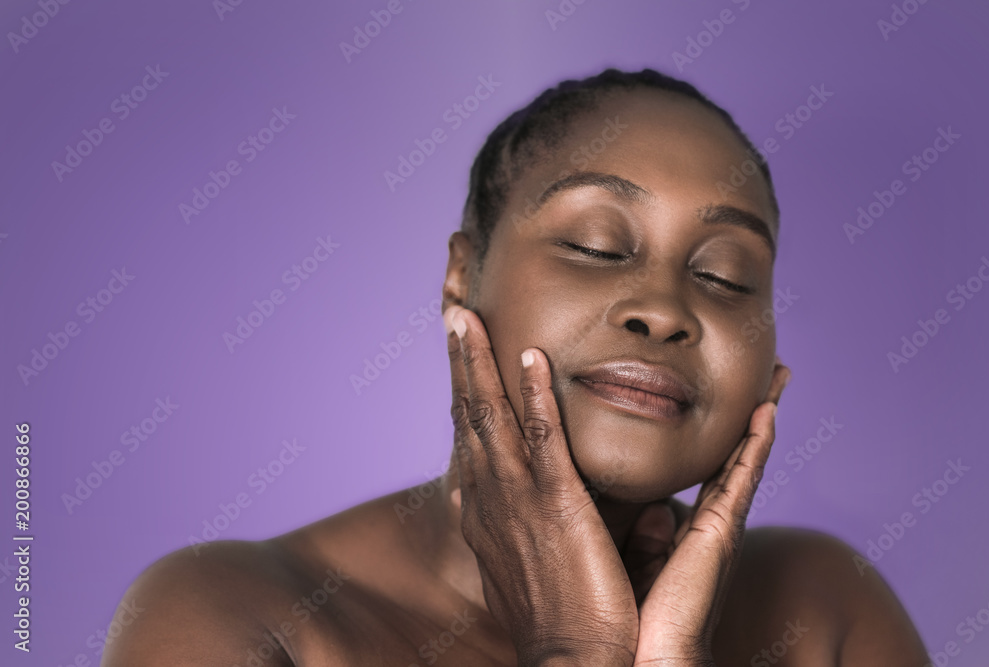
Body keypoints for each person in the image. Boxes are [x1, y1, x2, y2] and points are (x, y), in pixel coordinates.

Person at [103, 68, 929, 666]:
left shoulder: (826, 612)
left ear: (771, 365)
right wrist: (574, 651)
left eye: (724, 276)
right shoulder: (237, 615)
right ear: (463, 275)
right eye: (595, 245)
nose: (667, 308)